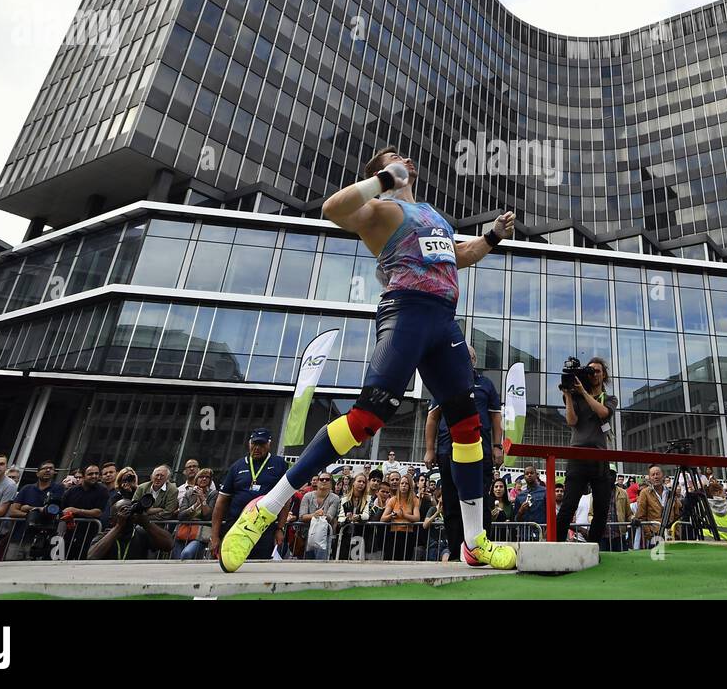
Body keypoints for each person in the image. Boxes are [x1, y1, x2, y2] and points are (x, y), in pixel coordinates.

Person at [220, 148, 517, 571]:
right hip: (406, 312)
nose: (402, 158)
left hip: (445, 322)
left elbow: (459, 256)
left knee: (468, 426)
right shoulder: (380, 209)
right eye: (390, 158)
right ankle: (266, 507)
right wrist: (383, 180)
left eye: (402, 157)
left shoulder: (432, 214)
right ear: (378, 172)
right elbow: (332, 209)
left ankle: (475, 542)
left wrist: (491, 236)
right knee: (366, 419)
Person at [425, 344, 502, 553]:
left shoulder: (486, 384)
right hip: (447, 451)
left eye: (465, 357)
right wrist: (429, 450)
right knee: (451, 502)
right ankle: (456, 552)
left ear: (474, 360)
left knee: (482, 502)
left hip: (480, 452)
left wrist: (498, 446)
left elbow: (496, 416)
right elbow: (432, 418)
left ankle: (479, 551)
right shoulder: (444, 384)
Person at [554, 357, 618, 546]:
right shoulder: (576, 396)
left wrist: (582, 391)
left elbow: (603, 413)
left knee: (601, 508)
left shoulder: (610, 398)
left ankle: (593, 547)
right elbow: (572, 421)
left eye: (597, 371)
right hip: (578, 455)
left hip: (600, 456)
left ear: (604, 375)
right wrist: (569, 396)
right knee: (568, 505)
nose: (594, 375)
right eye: (590, 371)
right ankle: (556, 545)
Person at [213, 429, 291, 563]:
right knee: (230, 562)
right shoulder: (237, 466)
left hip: (263, 527)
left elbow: (286, 498)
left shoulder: (279, 464)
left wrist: (280, 528)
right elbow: (221, 501)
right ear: (249, 444)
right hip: (236, 524)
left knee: (258, 565)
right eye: (254, 444)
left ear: (269, 444)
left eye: (261, 444)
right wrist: (214, 535)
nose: (257, 448)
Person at [89, 495, 173, 560]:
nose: (128, 515)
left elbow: (169, 545)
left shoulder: (141, 534)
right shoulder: (104, 535)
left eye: (131, 511)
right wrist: (118, 526)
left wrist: (147, 523)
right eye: (123, 511)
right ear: (111, 520)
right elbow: (92, 557)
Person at [173, 468, 216, 559]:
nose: (204, 479)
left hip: (200, 535)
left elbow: (208, 516)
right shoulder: (189, 493)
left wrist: (203, 500)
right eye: (201, 477)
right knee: (176, 559)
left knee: (186, 554)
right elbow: (181, 515)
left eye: (207, 477)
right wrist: (194, 506)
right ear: (196, 479)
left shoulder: (213, 494)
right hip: (183, 532)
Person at [635, 466, 682, 546]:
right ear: (649, 478)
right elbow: (641, 516)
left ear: (662, 476)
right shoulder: (645, 493)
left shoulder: (670, 493)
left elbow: (677, 515)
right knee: (658, 558)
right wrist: (649, 534)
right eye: (653, 475)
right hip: (655, 536)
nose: (655, 477)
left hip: (671, 535)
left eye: (658, 474)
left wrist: (677, 533)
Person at [298, 472, 341, 560]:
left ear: (331, 483)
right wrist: (315, 515)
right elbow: (302, 516)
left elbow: (329, 517)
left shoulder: (335, 498)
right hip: (307, 535)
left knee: (321, 565)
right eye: (321, 479)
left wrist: (317, 515)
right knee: (306, 566)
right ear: (317, 482)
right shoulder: (307, 496)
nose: (324, 481)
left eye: (327, 479)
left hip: (324, 537)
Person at [514, 465, 549, 537]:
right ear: (524, 477)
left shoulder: (545, 492)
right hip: (525, 535)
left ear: (536, 475)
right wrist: (521, 511)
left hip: (541, 534)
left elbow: (550, 514)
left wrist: (547, 531)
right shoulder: (519, 496)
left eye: (531, 473)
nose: (529, 475)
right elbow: (516, 519)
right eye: (527, 474)